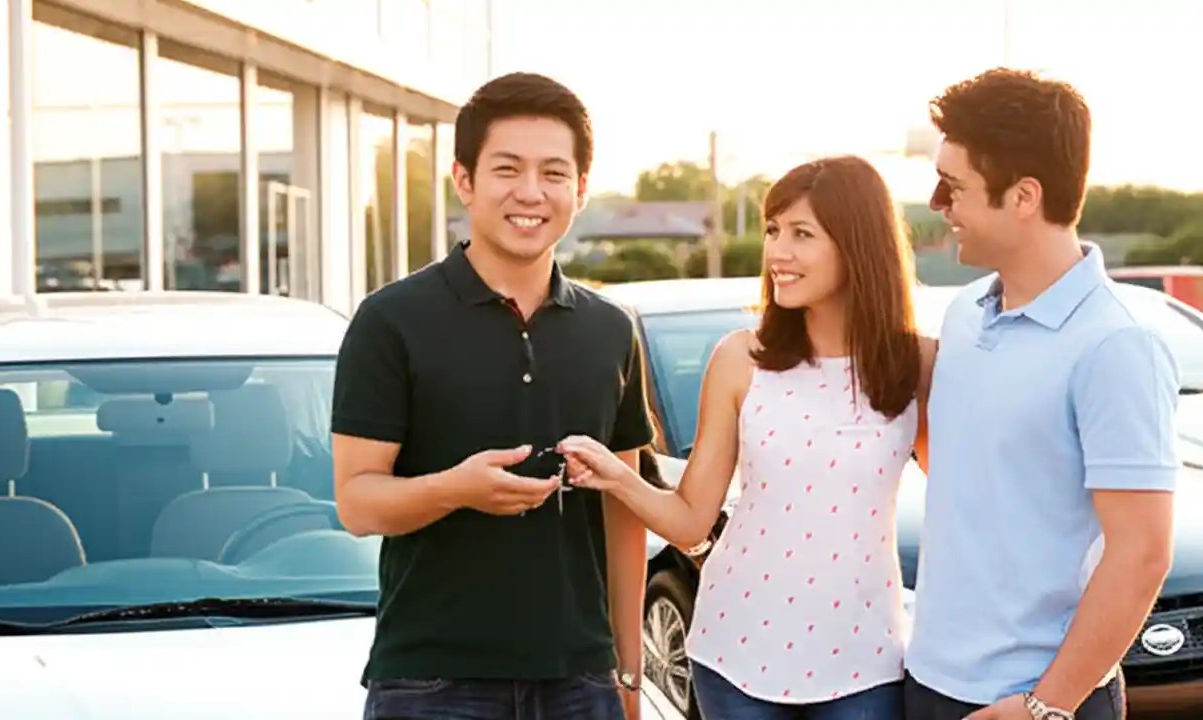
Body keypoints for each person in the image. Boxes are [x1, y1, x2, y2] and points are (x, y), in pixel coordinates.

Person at [559, 155, 937, 719]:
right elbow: (691, 519)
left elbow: (965, 501)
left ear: (858, 244)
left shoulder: (919, 364)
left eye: (801, 234)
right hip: (735, 652)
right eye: (773, 231)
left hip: (865, 661)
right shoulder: (742, 358)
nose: (777, 252)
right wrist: (617, 475)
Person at [330, 71, 653, 720]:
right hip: (430, 681)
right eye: (507, 169)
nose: (530, 193)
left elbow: (625, 511)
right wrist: (455, 489)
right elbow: (358, 502)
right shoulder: (390, 320)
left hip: (580, 682)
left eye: (554, 173)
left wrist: (627, 668)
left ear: (581, 189)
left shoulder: (611, 329)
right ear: (464, 181)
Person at [902, 68, 1179, 720]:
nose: (939, 204)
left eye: (954, 185)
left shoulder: (1114, 346)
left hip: (1033, 704)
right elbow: (978, 478)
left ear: (1024, 196)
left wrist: (1043, 706)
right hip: (928, 681)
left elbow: (1141, 554)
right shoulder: (967, 312)